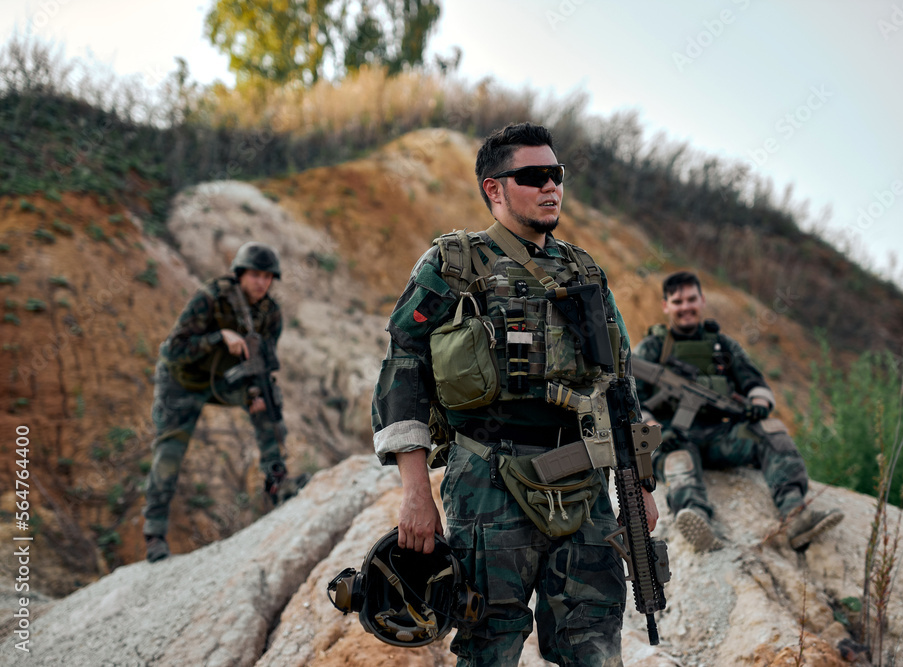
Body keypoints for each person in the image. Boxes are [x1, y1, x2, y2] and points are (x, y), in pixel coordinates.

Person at [371, 122, 657, 666]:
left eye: (557, 175)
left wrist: (638, 484)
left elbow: (618, 382)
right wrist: (414, 490)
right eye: (533, 176)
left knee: (595, 646)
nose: (551, 187)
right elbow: (402, 368)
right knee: (488, 647)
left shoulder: (584, 270)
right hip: (487, 483)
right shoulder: (453, 265)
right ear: (494, 189)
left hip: (584, 484)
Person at [634, 271, 843, 552]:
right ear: (666, 306)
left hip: (722, 436)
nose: (685, 307)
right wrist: (655, 428)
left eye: (691, 299)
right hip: (674, 439)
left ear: (702, 300)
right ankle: (695, 519)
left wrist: (758, 404)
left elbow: (755, 383)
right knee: (679, 461)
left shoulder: (723, 346)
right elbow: (632, 399)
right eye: (678, 301)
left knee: (773, 430)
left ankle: (796, 516)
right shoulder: (652, 348)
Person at [142, 242, 307, 563]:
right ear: (240, 274)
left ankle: (277, 482)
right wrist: (220, 337)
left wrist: (256, 395)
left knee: (268, 401)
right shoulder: (210, 299)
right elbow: (173, 349)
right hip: (183, 381)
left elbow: (262, 363)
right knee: (170, 450)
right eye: (255, 275)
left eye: (268, 277)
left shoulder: (270, 314)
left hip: (224, 381)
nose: (262, 282)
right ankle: (155, 532)